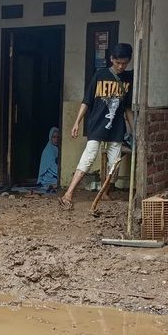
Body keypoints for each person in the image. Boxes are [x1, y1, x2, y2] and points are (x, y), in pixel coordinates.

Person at [60, 43, 134, 210]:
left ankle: (105, 192)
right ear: (111, 59)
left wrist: (134, 130)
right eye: (118, 63)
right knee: (88, 157)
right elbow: (87, 101)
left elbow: (127, 108)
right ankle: (68, 193)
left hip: (117, 128)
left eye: (125, 63)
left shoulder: (128, 79)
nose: (121, 66)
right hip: (97, 124)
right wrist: (76, 123)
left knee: (114, 163)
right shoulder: (100, 75)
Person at [38, 127, 60, 194]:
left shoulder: (56, 148)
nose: (56, 139)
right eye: (54, 137)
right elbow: (52, 167)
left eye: (57, 137)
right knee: (62, 183)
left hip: (54, 175)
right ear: (50, 137)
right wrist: (60, 175)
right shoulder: (48, 150)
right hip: (48, 178)